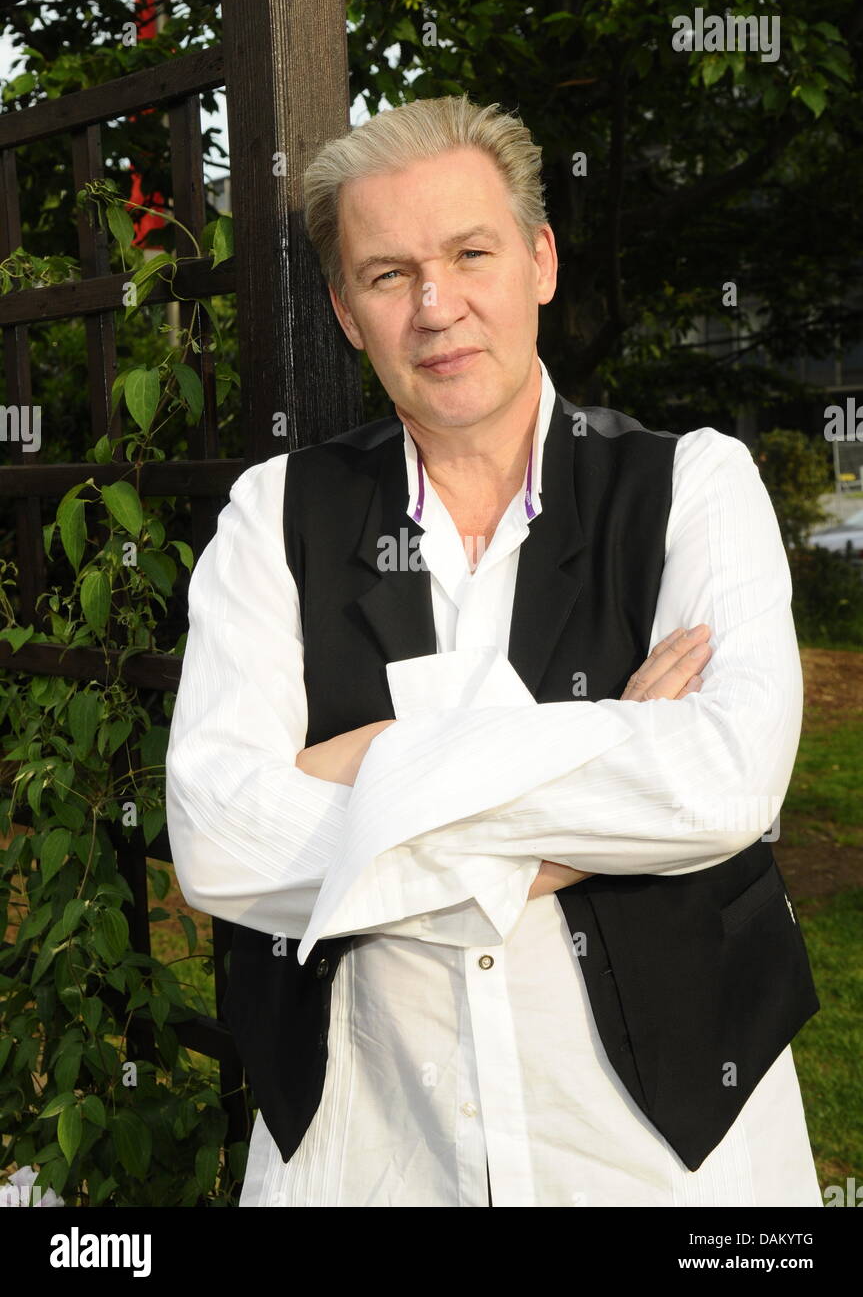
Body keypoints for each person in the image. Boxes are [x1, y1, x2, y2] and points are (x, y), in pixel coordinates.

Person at [165, 93, 822, 1207]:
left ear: (539, 261)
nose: (436, 306)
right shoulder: (274, 513)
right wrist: (595, 765)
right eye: (386, 274)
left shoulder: (693, 484)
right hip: (373, 1153)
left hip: (662, 1165)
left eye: (470, 252)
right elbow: (221, 841)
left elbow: (721, 787)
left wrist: (367, 764)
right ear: (344, 309)